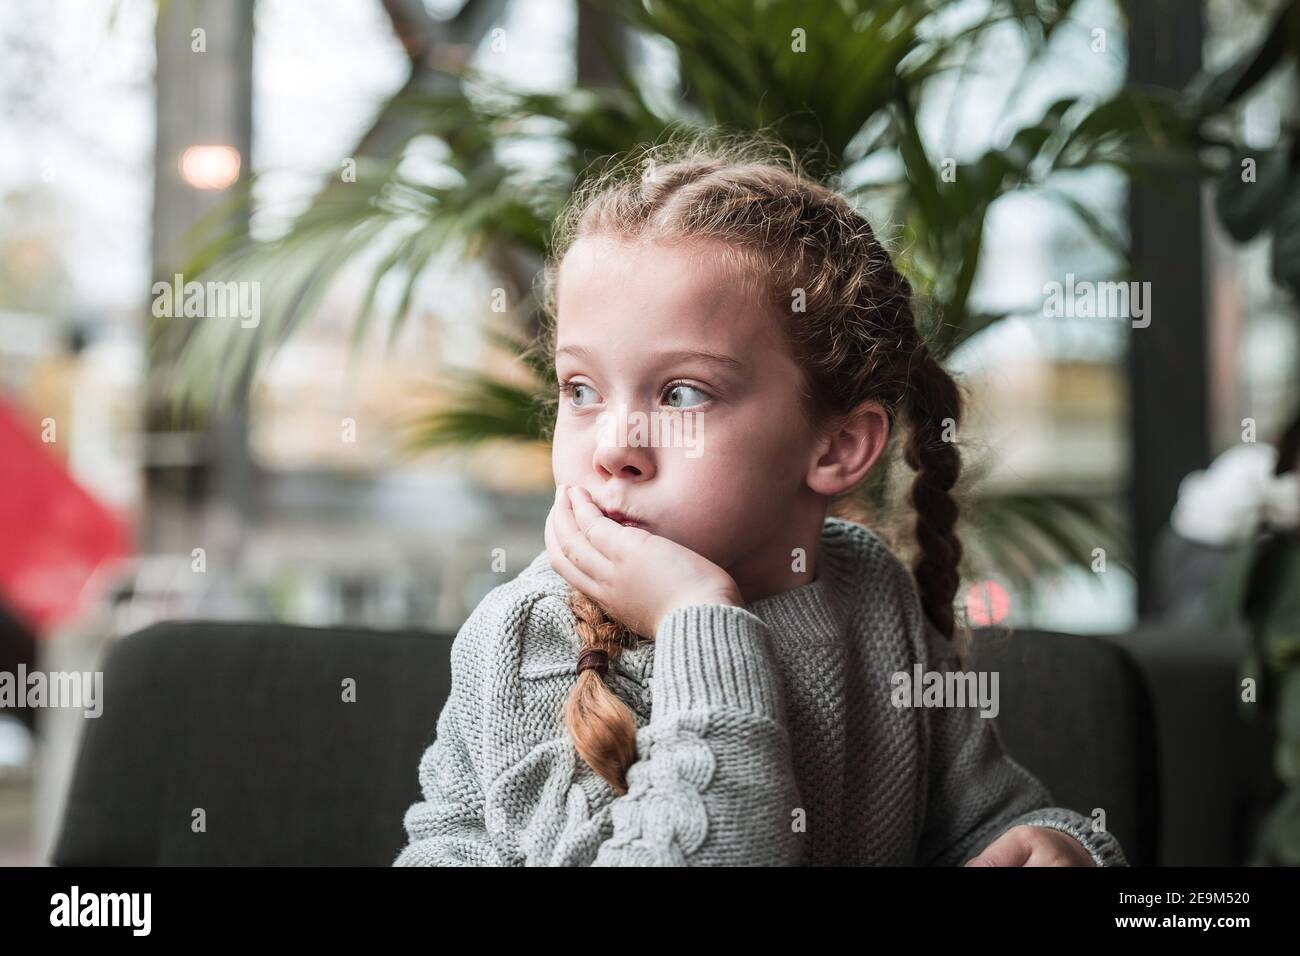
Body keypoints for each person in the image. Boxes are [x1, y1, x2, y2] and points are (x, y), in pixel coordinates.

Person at [394, 133, 1129, 866]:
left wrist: (1058, 845)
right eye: (581, 389)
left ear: (837, 447)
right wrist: (698, 619)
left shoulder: (870, 593)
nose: (614, 444)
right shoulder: (535, 633)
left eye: (681, 392)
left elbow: (983, 816)